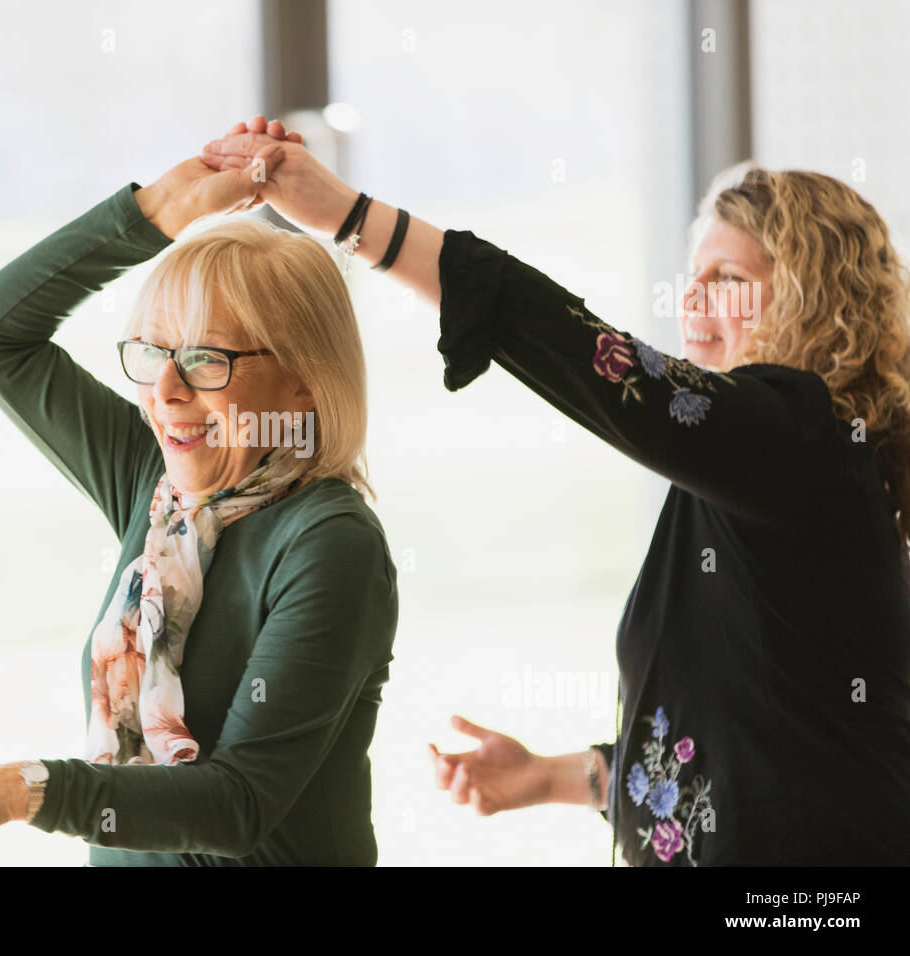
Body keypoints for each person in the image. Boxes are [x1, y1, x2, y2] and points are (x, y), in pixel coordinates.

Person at [201, 115, 910, 866]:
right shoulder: (759, 471)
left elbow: (578, 348)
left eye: (728, 279)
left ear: (813, 301)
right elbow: (740, 738)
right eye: (691, 275)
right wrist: (548, 778)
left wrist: (346, 215)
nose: (691, 298)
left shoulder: (796, 437)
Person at [0, 144, 398, 866]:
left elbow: (236, 805)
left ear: (302, 383)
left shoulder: (329, 544)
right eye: (151, 351)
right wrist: (161, 210)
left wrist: (20, 791)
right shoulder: (155, 485)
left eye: (205, 358)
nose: (164, 392)